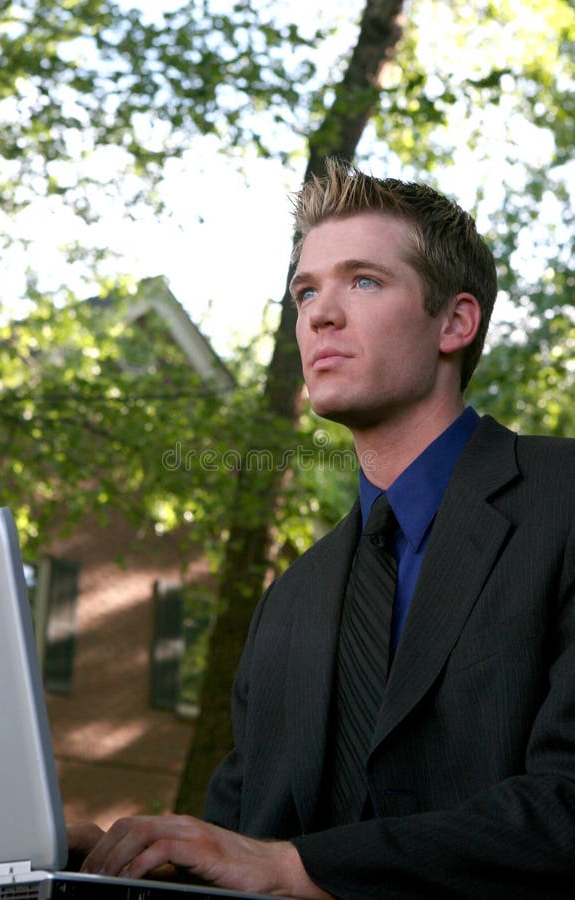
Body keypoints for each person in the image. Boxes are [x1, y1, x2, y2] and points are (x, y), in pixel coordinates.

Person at [70, 158, 575, 897]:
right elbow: (243, 847)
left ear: (456, 321)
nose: (318, 314)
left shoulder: (562, 501)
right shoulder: (289, 600)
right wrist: (132, 860)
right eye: (306, 291)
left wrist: (298, 867)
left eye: (363, 281)